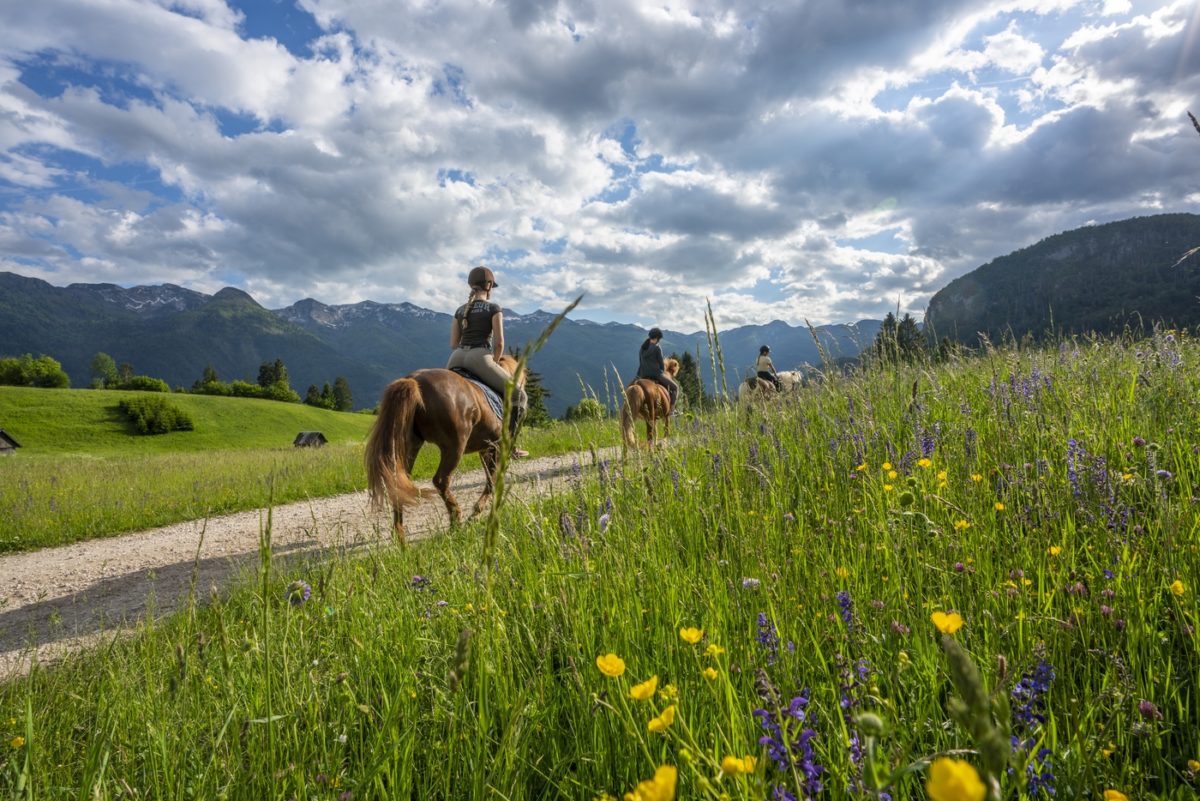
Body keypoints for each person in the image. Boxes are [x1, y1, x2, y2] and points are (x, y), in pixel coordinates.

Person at [446, 266, 529, 457]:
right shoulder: (494, 308)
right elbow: (499, 342)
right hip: (480, 358)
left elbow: (453, 343)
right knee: (519, 396)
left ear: (470, 285)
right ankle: (508, 446)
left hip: (456, 357)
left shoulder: (459, 311)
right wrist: (495, 359)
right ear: (489, 285)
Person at [636, 327, 679, 413]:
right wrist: (662, 371)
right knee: (675, 388)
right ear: (657, 338)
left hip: (642, 375)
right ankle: (672, 410)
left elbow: (640, 362)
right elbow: (661, 365)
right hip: (656, 374)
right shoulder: (657, 347)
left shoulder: (642, 348)